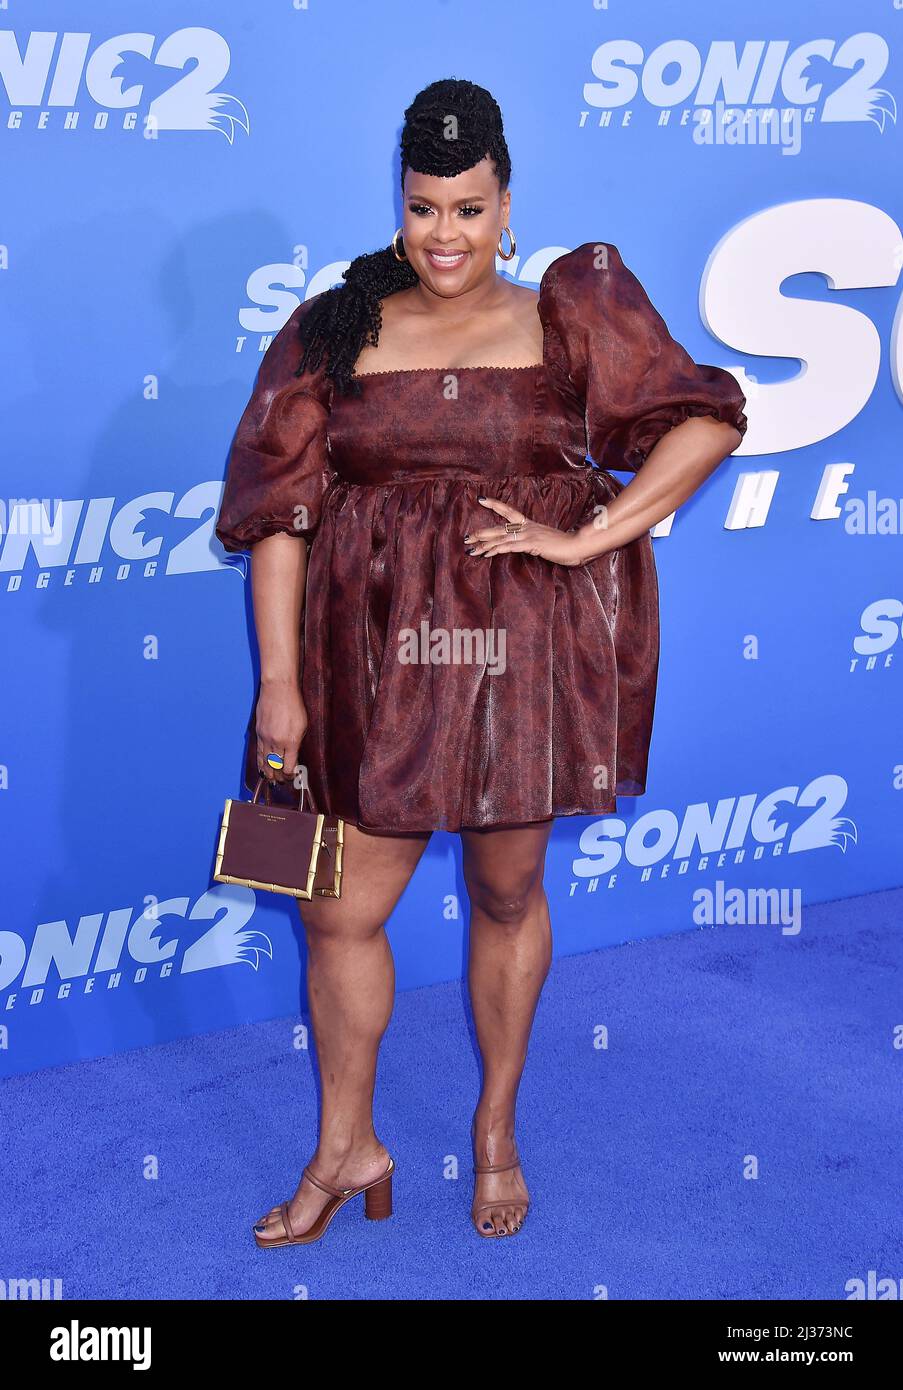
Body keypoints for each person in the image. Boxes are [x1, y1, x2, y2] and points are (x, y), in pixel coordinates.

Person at [214, 77, 748, 1246]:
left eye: (468, 207)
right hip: (376, 664)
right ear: (396, 204)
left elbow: (706, 416)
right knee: (335, 913)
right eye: (422, 208)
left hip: (523, 659)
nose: (444, 234)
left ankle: (497, 1131)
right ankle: (348, 1146)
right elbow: (279, 520)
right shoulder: (333, 328)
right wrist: (279, 682)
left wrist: (595, 531)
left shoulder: (568, 310)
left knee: (507, 891)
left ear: (508, 202)